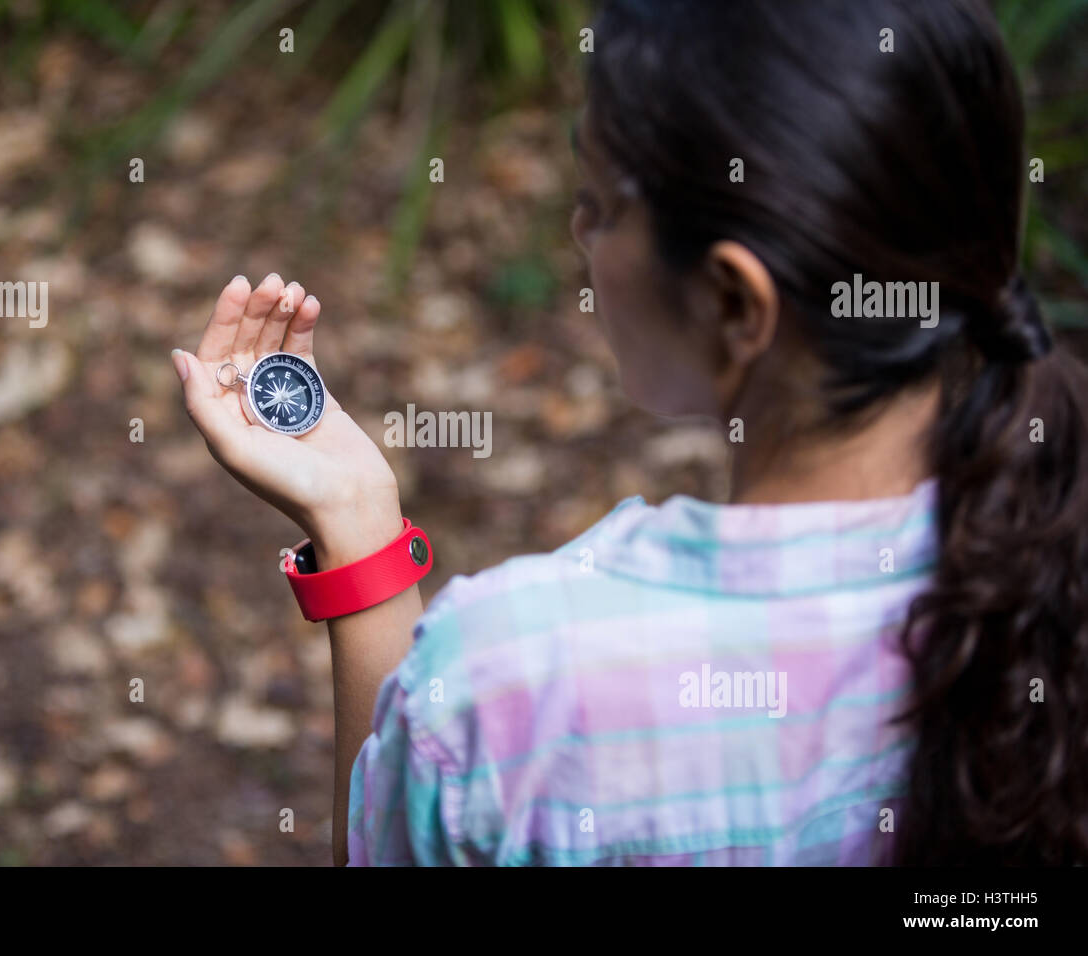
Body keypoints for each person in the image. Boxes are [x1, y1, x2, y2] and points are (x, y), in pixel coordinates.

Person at [170, 0, 1088, 865]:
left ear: (734, 304)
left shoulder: (524, 682)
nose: (578, 231)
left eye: (603, 205)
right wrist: (358, 516)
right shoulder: (1047, 545)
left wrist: (359, 540)